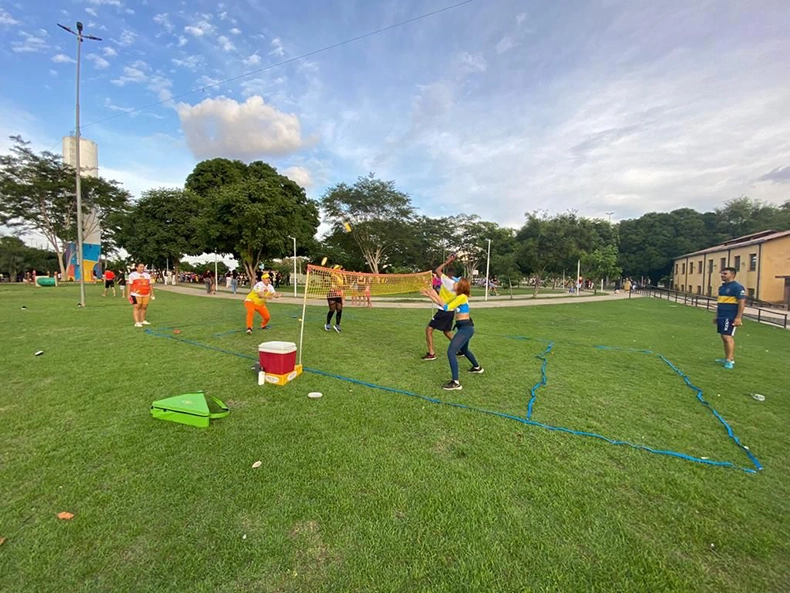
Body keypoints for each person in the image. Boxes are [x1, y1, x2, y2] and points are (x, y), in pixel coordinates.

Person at [420, 276, 483, 390]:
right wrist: (430, 295)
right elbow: (443, 306)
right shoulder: (458, 297)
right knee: (464, 350)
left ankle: (455, 382)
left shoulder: (462, 297)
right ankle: (477, 368)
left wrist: (434, 293)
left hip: (466, 329)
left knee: (451, 352)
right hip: (463, 327)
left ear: (460, 286)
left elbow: (447, 306)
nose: (453, 284)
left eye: (455, 283)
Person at [422, 254, 460, 361]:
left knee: (429, 330)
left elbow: (437, 270)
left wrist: (447, 261)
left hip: (443, 311)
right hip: (449, 311)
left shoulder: (447, 281)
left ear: (448, 275)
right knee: (447, 332)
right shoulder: (456, 284)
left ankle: (431, 353)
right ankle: (461, 348)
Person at [714, 266, 746, 369]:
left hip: (730, 316)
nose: (722, 275)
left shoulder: (737, 287)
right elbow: (720, 303)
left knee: (727, 337)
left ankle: (729, 361)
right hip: (722, 315)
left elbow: (741, 303)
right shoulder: (722, 287)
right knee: (723, 336)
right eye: (722, 274)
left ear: (732, 275)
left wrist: (738, 317)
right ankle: (728, 357)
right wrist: (717, 316)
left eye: (725, 274)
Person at [128, 263, 155, 328]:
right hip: (136, 293)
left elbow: (150, 284)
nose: (142, 268)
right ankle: (137, 322)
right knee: (137, 306)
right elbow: (129, 284)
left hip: (146, 293)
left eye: (143, 267)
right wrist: (128, 294)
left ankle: (142, 320)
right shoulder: (132, 275)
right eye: (140, 267)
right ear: (136, 267)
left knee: (144, 307)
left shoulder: (147, 275)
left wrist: (152, 293)